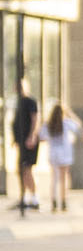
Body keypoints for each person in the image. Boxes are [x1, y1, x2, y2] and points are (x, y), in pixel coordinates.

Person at [41, 103, 74, 214]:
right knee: (64, 179)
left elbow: (42, 137)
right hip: (64, 154)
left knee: (54, 179)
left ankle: (54, 201)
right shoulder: (66, 123)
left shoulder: (48, 124)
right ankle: (63, 201)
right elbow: (78, 126)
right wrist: (70, 114)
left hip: (53, 154)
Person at [11, 79, 35, 214]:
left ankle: (32, 196)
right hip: (21, 141)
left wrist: (32, 135)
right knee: (20, 169)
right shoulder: (19, 102)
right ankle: (24, 196)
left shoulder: (30, 102)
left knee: (26, 169)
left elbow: (35, 119)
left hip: (27, 141)